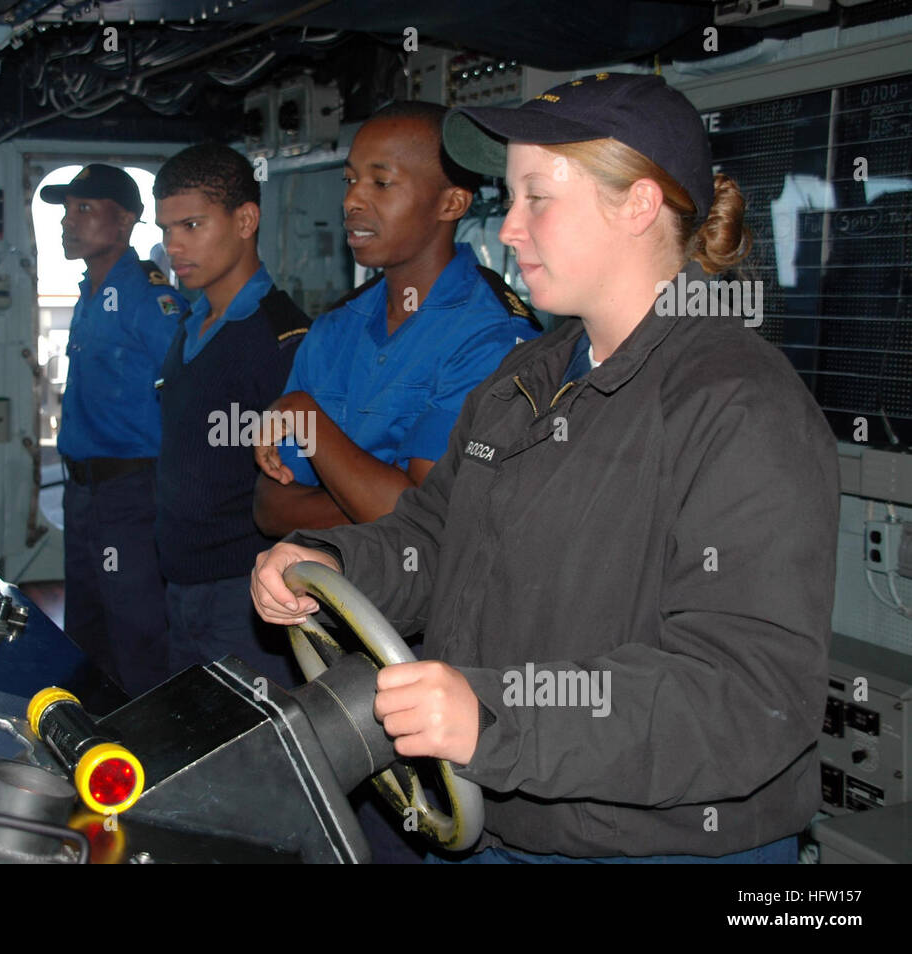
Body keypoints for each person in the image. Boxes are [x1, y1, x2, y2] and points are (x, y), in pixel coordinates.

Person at [251, 73, 840, 863]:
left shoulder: (739, 405)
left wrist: (494, 717)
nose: (512, 231)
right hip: (496, 817)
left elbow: (747, 699)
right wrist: (331, 562)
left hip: (651, 847)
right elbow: (436, 534)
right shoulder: (526, 374)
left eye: (539, 199)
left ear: (637, 205)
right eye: (512, 200)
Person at [253, 100, 541, 538]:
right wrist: (380, 494)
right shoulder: (335, 327)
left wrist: (304, 411)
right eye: (349, 180)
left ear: (452, 203)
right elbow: (271, 507)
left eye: (381, 183)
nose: (352, 199)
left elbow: (425, 519)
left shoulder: (492, 338)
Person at [153, 143, 309, 687]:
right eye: (167, 229)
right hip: (180, 582)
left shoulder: (280, 340)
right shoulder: (192, 321)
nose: (174, 245)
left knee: (254, 758)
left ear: (246, 220)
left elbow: (300, 485)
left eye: (191, 225)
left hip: (241, 594)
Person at [43, 163, 187, 697]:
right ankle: (91, 738)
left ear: (125, 221)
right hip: (82, 491)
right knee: (85, 627)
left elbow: (183, 390)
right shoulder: (90, 292)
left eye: (84, 210)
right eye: (65, 211)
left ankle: (149, 756)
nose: (68, 223)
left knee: (136, 631)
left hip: (132, 491)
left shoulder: (152, 300)